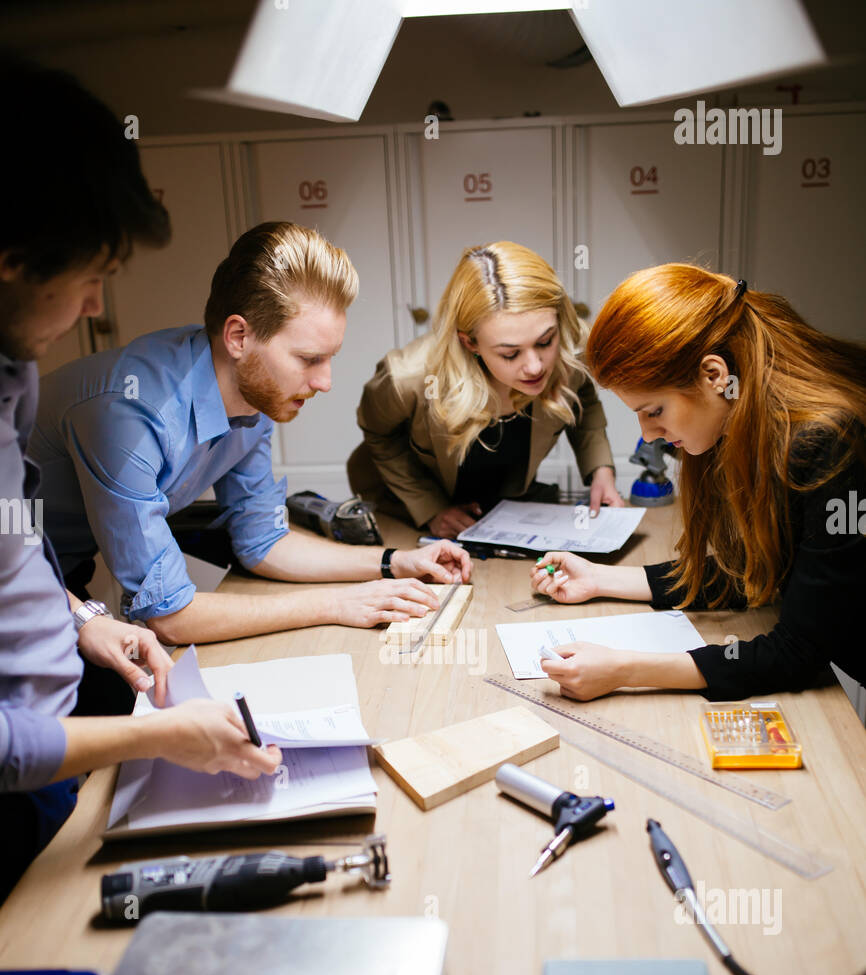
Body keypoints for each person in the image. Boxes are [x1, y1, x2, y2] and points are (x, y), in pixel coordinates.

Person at [0, 57, 281, 902]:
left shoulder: (15, 373)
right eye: (90, 278)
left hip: (59, 746)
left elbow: (16, 545)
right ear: (14, 260)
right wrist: (149, 739)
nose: (95, 309)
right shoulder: (120, 406)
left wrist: (78, 617)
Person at [30, 222, 471, 647]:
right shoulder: (130, 413)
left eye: (330, 357)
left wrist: (393, 562)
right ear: (238, 336)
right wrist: (339, 603)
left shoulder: (253, 395)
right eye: (309, 358)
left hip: (56, 571)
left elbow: (263, 541)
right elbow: (169, 617)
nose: (325, 382)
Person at [530, 264, 866, 703]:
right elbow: (760, 570)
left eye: (654, 411)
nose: (648, 434)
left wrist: (623, 669)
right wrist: (600, 579)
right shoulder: (742, 414)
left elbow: (801, 651)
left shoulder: (830, 442)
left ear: (713, 375)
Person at [346, 241, 622, 539]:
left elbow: (583, 398)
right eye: (509, 353)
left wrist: (600, 470)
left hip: (505, 511)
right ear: (470, 343)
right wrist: (431, 509)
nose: (535, 367)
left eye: (544, 342)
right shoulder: (407, 378)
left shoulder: (571, 346)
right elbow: (379, 433)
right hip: (406, 509)